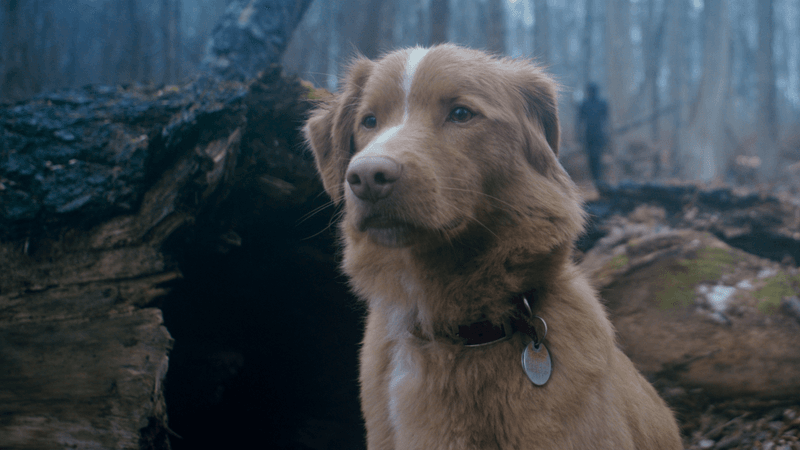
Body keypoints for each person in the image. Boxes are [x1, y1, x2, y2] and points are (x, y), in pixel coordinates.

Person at [577, 83, 609, 187]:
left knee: (597, 157)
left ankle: (598, 179)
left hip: (596, 135)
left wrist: (607, 135)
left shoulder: (602, 104)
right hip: (591, 135)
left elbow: (606, 121)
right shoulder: (585, 104)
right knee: (592, 157)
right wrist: (578, 136)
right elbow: (579, 121)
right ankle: (596, 179)